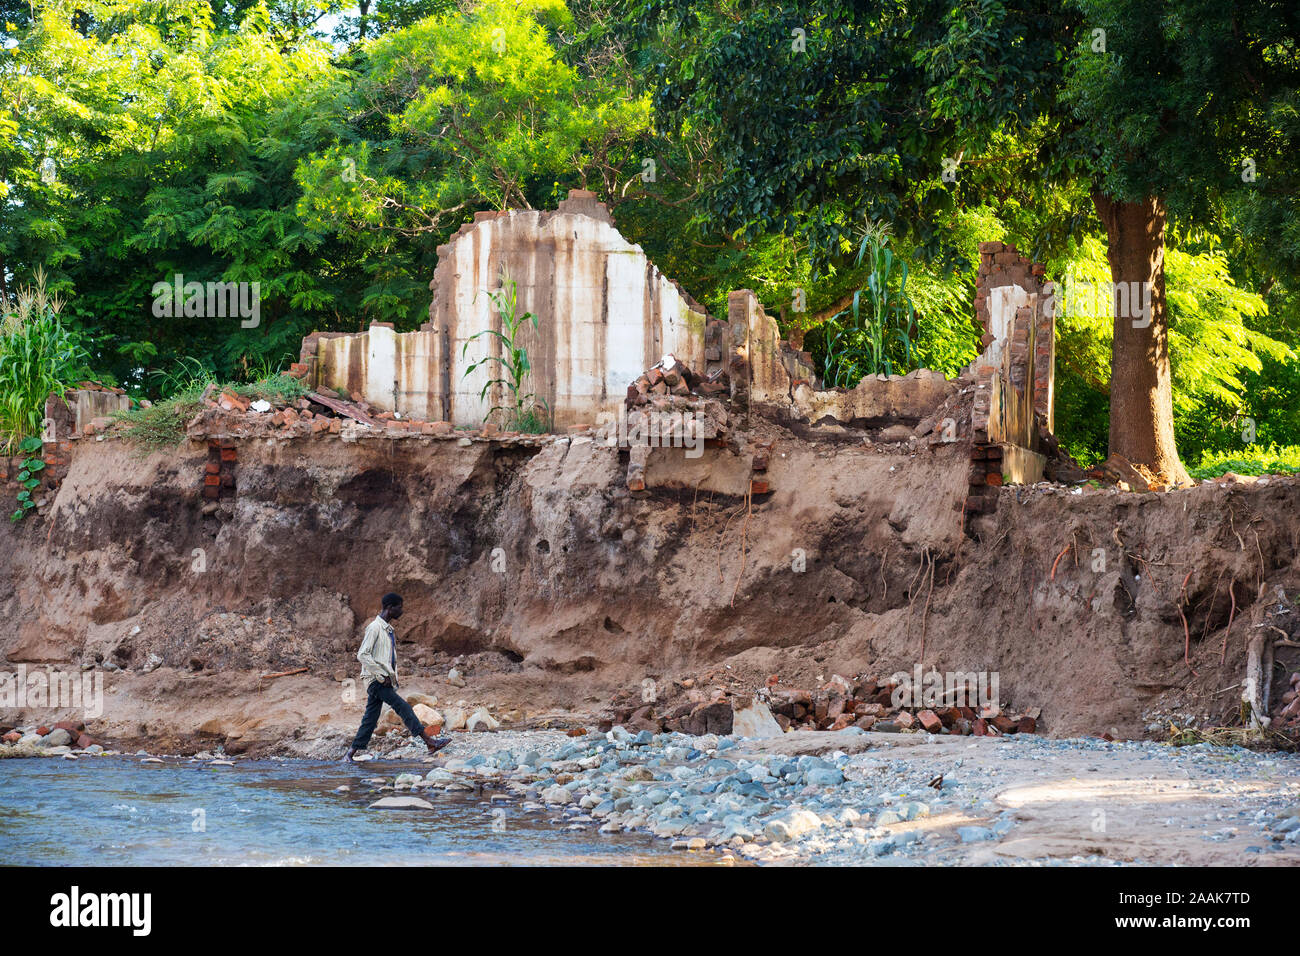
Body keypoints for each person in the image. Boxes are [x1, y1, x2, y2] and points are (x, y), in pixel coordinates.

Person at [343, 593, 449, 762]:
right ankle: (430, 742)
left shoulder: (387, 629)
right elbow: (362, 655)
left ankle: (350, 754)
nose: (402, 610)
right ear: (390, 608)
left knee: (370, 719)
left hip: (381, 680)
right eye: (399, 607)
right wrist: (380, 674)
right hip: (376, 681)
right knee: (403, 707)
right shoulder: (374, 628)